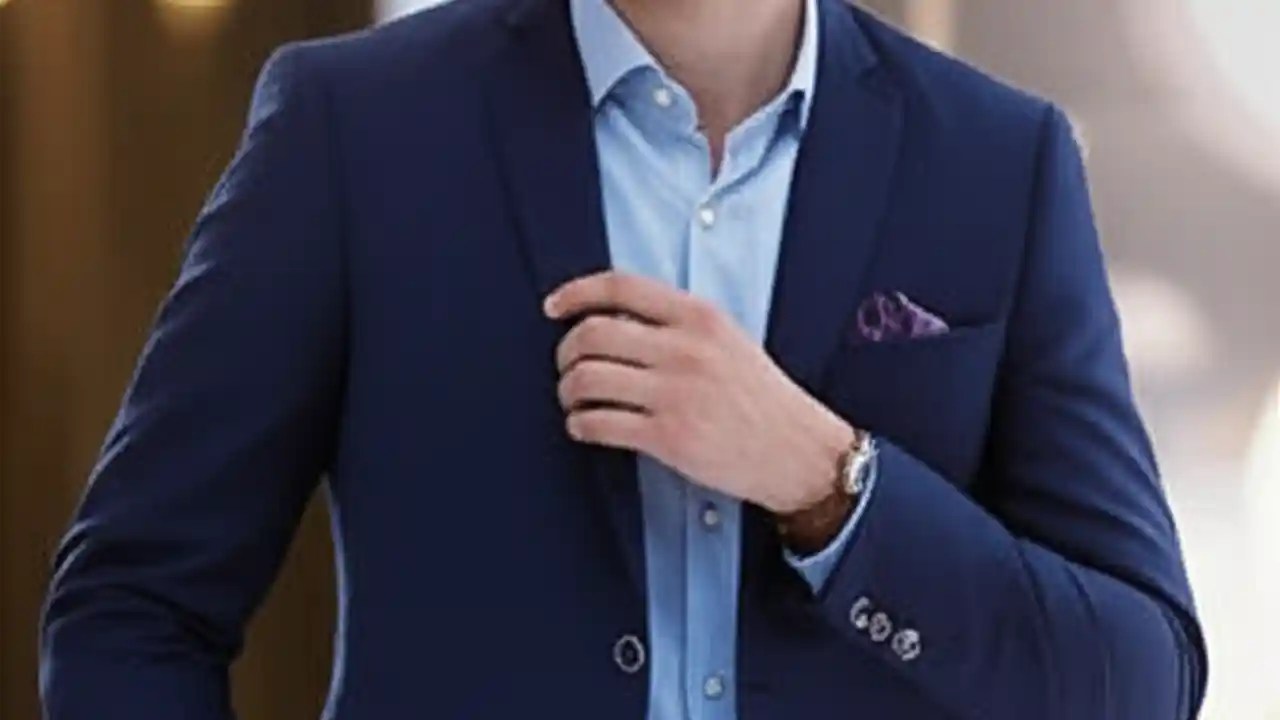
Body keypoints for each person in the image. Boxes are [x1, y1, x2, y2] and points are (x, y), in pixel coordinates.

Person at [39, 0, 1208, 717]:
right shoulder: (357, 128)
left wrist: (830, 483)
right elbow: (132, 607)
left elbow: (1137, 678)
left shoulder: (998, 162)